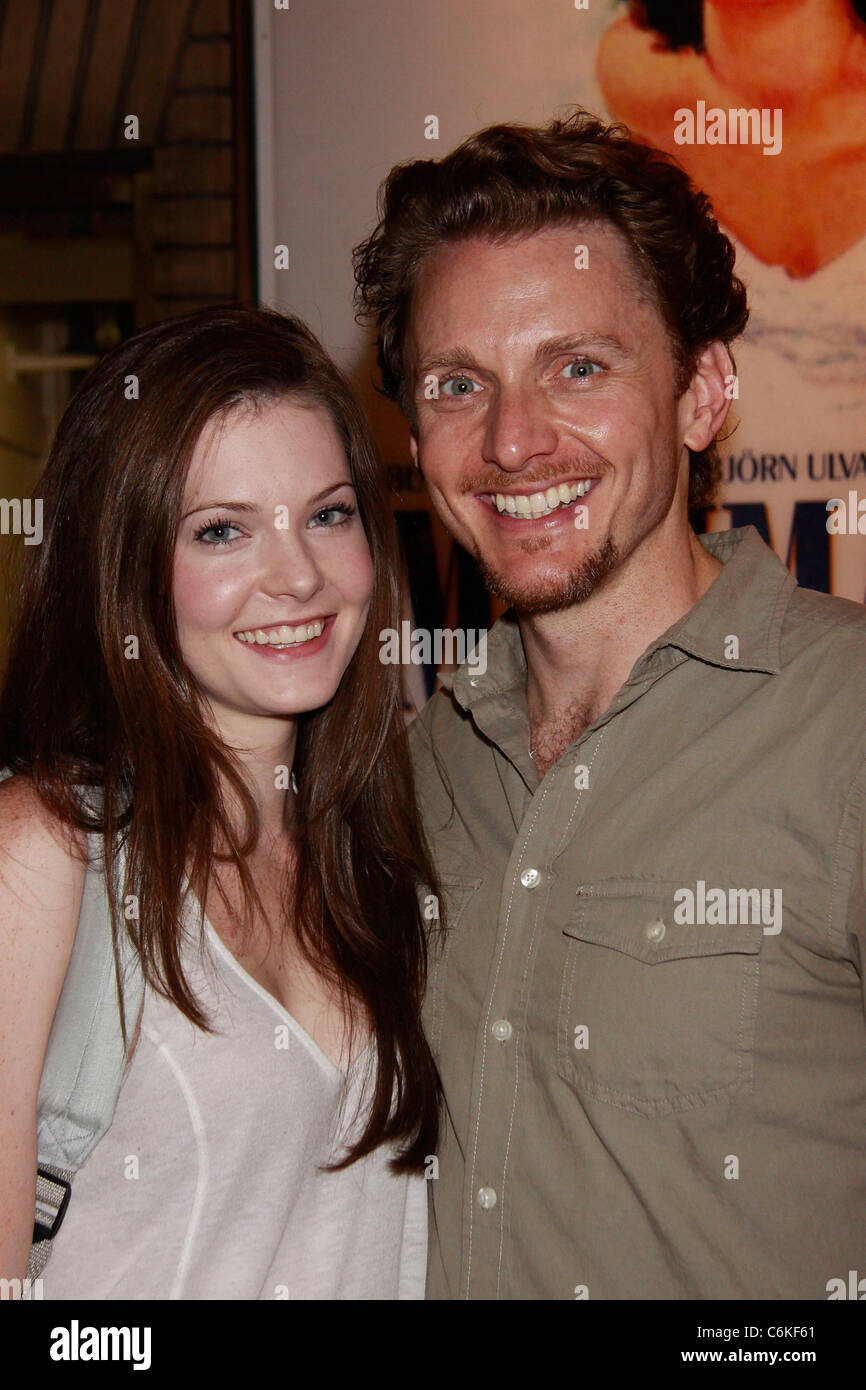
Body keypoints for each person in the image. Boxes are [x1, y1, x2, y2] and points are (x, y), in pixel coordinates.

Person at [353, 108, 866, 1299]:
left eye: (576, 367)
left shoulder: (844, 725)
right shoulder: (408, 772)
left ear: (700, 394)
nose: (512, 441)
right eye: (455, 384)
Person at [0, 305, 439, 1299]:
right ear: (124, 566)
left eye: (327, 514)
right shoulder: (45, 854)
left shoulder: (380, 846)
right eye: (221, 531)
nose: (295, 576)